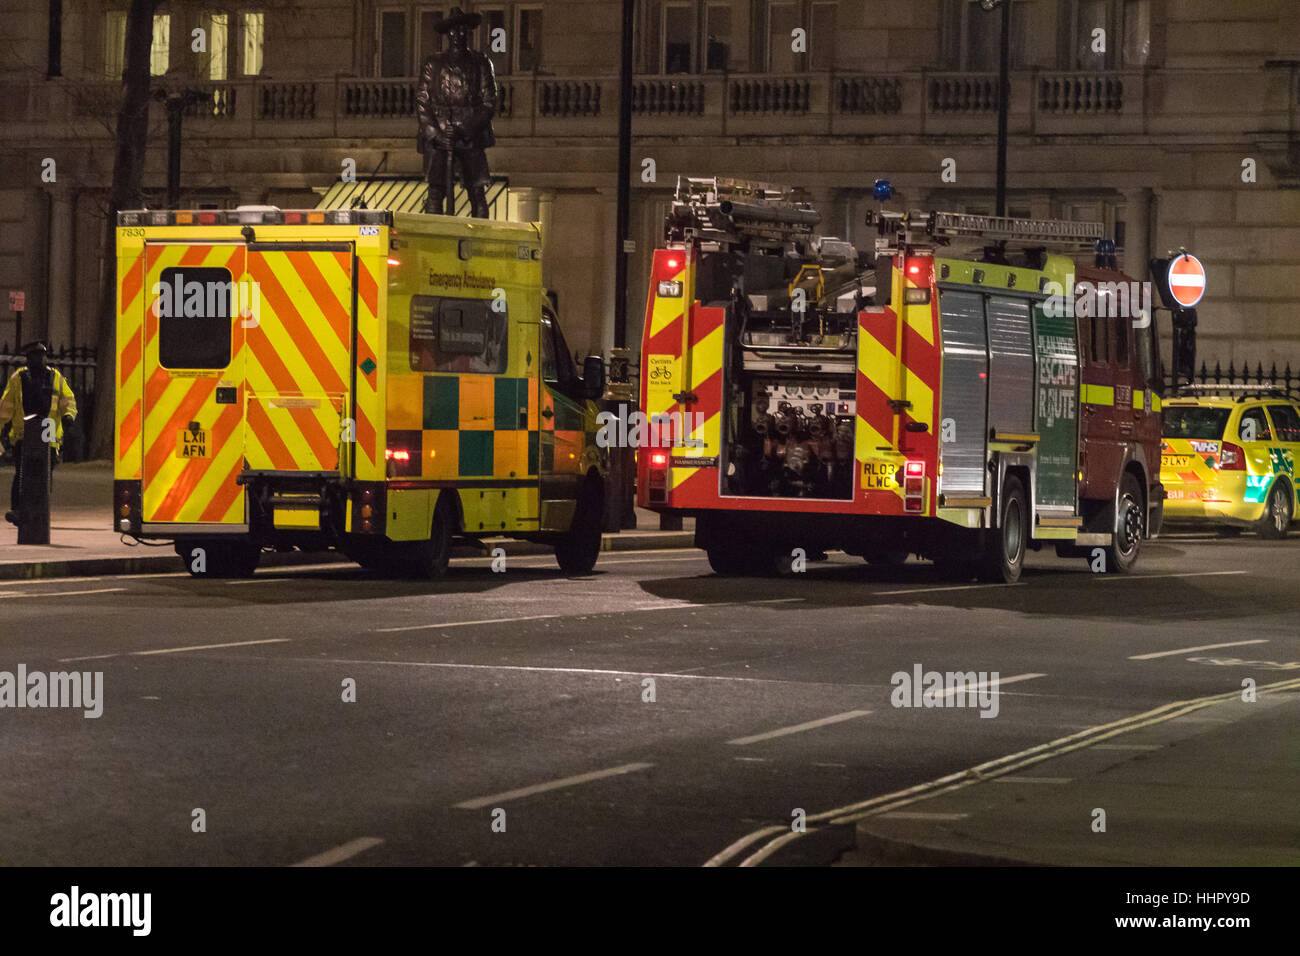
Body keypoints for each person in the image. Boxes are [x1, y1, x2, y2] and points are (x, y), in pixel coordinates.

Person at [416, 6, 497, 218]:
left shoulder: (481, 63)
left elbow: (489, 102)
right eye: (452, 31)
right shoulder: (433, 63)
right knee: (435, 190)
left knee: (477, 190)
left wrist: (464, 129)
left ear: (468, 33)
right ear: (447, 34)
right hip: (440, 133)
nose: (457, 35)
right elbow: (422, 101)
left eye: (461, 31)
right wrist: (435, 133)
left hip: (470, 135)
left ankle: (481, 237)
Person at [0, 342, 77, 525]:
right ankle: (18, 510)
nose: (39, 359)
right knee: (21, 473)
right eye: (35, 355)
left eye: (41, 355)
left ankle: (39, 509)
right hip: (23, 433)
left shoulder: (55, 376)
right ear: (28, 358)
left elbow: (69, 400)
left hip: (48, 431)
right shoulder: (18, 378)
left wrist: (68, 416)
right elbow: (6, 406)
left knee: (44, 475)